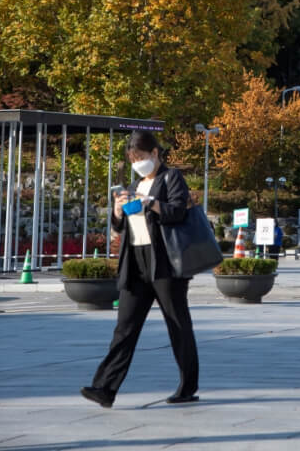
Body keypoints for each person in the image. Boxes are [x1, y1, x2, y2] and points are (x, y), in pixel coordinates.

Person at [81, 130, 200, 408]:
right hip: (135, 262)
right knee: (124, 328)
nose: (138, 163)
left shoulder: (171, 177)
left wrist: (151, 203)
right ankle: (105, 388)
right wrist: (117, 211)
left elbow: (178, 211)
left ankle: (187, 387)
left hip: (165, 264)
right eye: (133, 159)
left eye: (141, 157)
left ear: (155, 153)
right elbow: (122, 226)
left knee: (178, 325)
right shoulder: (134, 184)